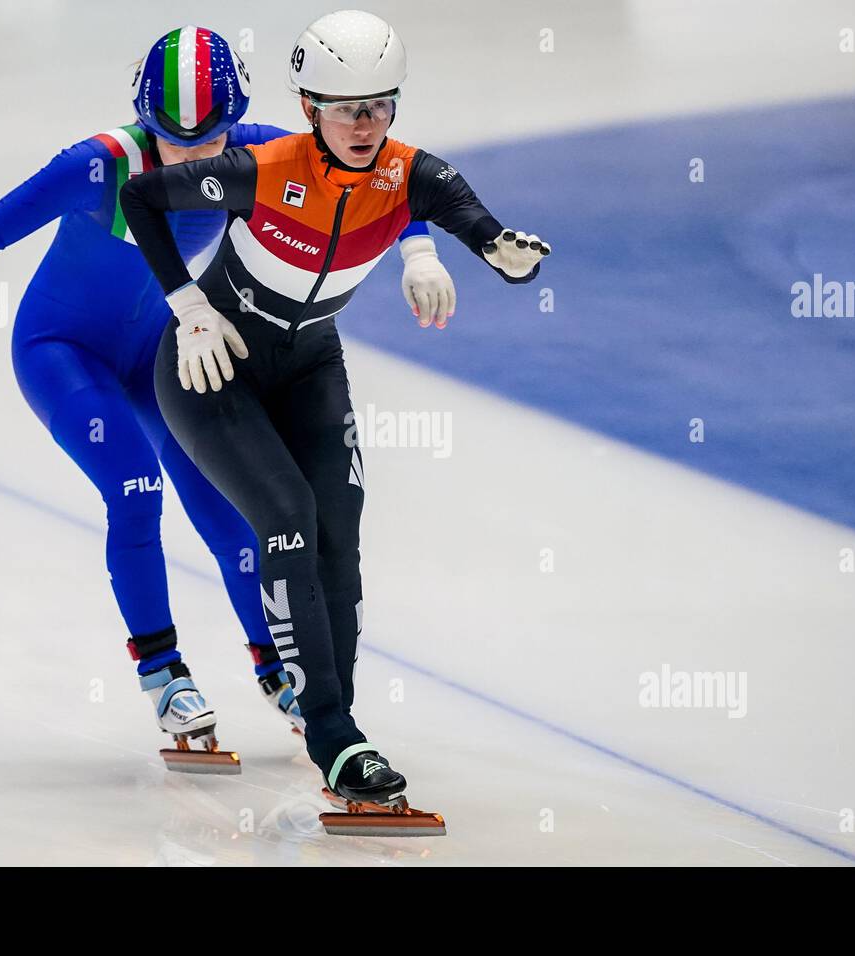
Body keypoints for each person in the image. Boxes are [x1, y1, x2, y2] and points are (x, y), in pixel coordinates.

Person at [0, 25, 454, 757]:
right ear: (144, 121)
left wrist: (420, 250)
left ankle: (274, 664)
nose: (191, 157)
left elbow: (380, 176)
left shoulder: (260, 145)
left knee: (227, 502)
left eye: (210, 137)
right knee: (133, 487)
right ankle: (162, 671)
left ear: (237, 118)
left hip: (162, 351)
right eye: (171, 138)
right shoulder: (98, 166)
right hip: (64, 353)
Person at [120, 10, 549, 805]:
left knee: (339, 531)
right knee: (286, 515)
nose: (367, 124)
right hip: (215, 368)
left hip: (311, 361)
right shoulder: (263, 165)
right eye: (349, 109)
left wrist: (491, 253)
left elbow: (472, 221)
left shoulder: (409, 171)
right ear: (311, 107)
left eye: (381, 106)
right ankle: (329, 733)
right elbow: (143, 196)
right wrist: (187, 305)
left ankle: (341, 729)